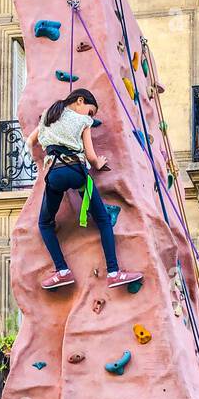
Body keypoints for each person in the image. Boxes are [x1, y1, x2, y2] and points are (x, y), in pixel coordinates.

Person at [26, 88, 143, 292]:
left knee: (45, 223)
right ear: (80, 101)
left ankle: (62, 271)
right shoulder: (83, 122)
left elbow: (30, 141)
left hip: (54, 174)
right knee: (103, 220)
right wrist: (99, 163)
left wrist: (38, 161)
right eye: (90, 111)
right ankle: (114, 273)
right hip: (76, 172)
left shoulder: (48, 115)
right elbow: (90, 155)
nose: (90, 116)